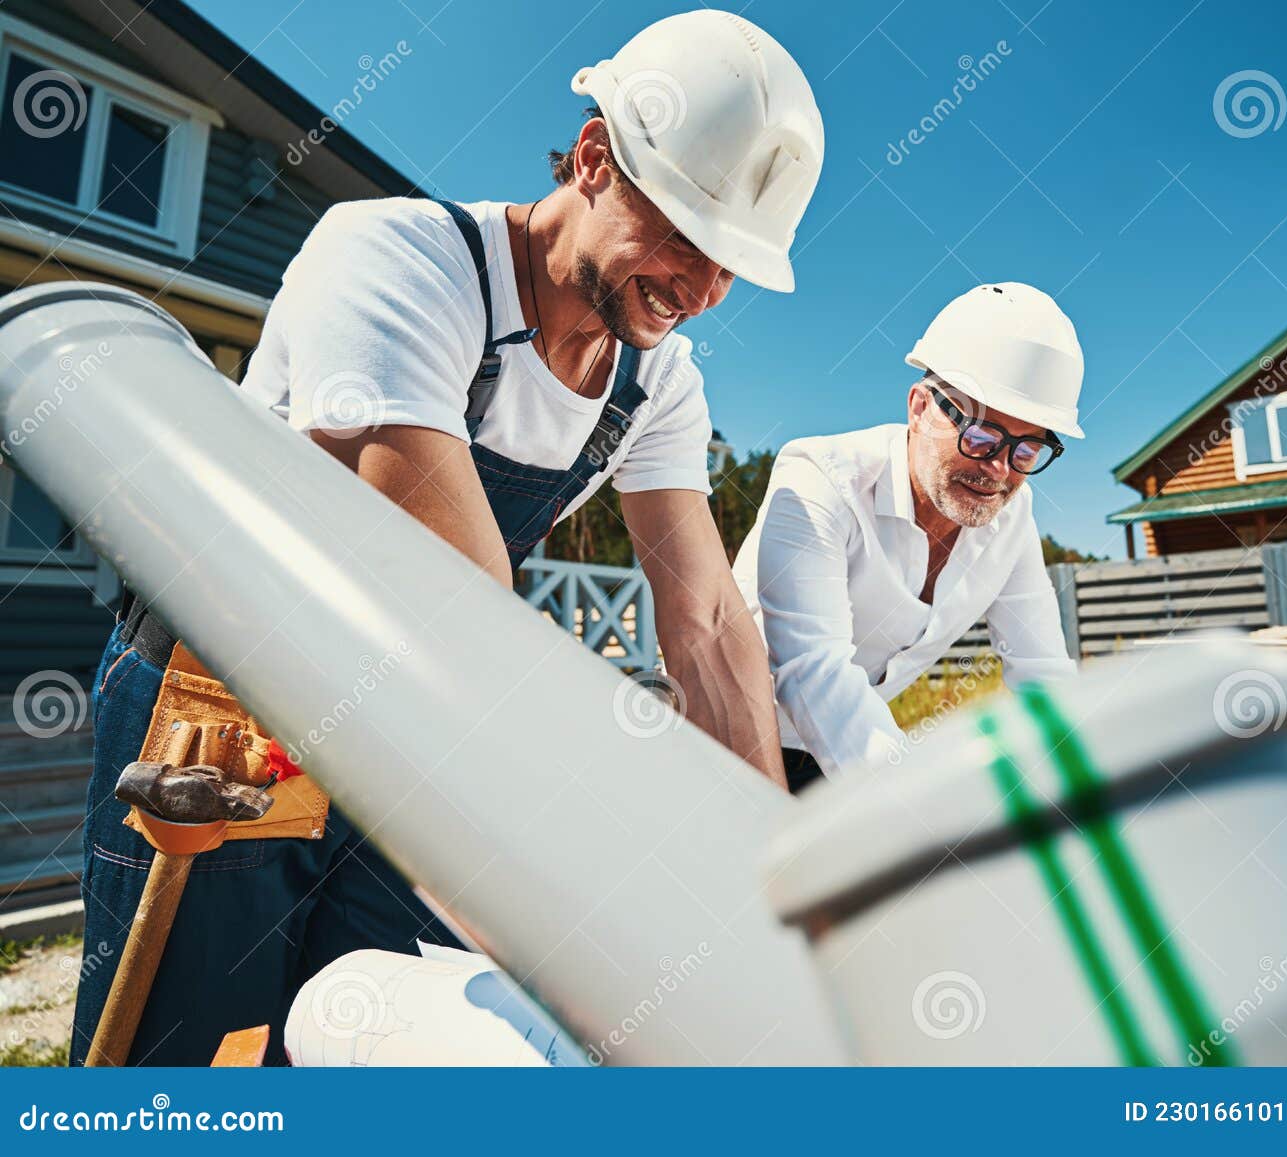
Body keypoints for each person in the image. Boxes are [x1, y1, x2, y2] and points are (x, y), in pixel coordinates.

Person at [73, 9, 824, 1066]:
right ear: (597, 157)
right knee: (192, 1060)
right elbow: (450, 594)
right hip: (230, 714)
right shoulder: (398, 258)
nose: (700, 291)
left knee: (377, 1042)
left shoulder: (658, 384)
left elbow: (702, 620)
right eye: (686, 240)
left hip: (410, 738)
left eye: (730, 267)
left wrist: (780, 879)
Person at [733, 283, 1082, 789]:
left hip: (850, 755)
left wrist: (1084, 792)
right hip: (727, 740)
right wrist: (914, 808)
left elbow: (1042, 672)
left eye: (1027, 451)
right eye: (981, 437)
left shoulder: (1013, 515)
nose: (1000, 470)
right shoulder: (820, 477)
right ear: (920, 407)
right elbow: (815, 670)